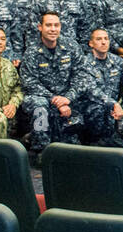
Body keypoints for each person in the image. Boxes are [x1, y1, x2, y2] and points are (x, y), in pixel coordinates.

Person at [20, 12, 92, 162]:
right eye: (48, 25)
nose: (53, 29)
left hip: (67, 98)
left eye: (56, 25)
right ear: (40, 27)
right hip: (43, 99)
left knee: (70, 149)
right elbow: (29, 82)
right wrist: (54, 99)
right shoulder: (32, 52)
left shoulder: (71, 46)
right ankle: (42, 149)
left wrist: (67, 98)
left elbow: (83, 76)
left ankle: (35, 136)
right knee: (39, 106)